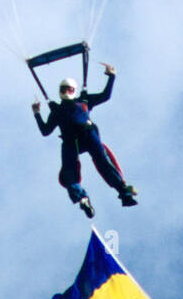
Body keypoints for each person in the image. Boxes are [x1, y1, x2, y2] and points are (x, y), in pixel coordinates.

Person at [32, 63, 138, 217]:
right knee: (68, 174)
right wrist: (37, 113)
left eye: (69, 89)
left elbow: (105, 96)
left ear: (74, 90)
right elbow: (45, 131)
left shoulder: (84, 101)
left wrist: (112, 76)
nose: (66, 91)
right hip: (70, 142)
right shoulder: (57, 111)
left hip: (88, 135)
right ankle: (82, 198)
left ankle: (123, 192)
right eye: (63, 89)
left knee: (102, 161)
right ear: (60, 92)